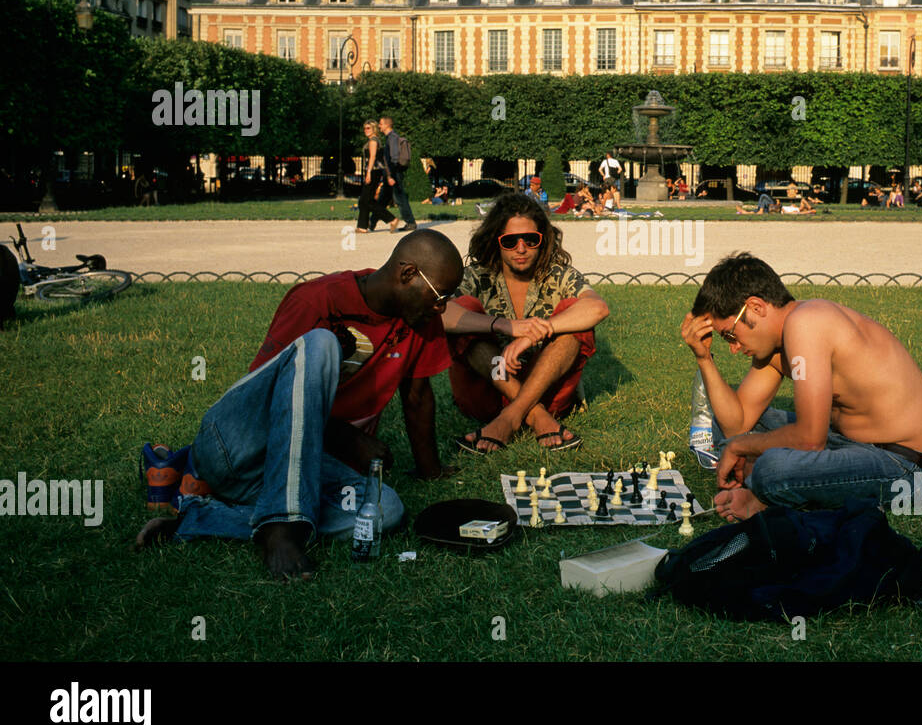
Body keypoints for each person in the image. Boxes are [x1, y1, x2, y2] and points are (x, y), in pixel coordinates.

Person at [136, 231, 512, 580]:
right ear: (408, 273)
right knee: (320, 345)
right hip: (238, 444)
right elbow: (267, 401)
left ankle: (200, 516)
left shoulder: (421, 316)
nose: (442, 307)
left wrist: (429, 470)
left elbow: (417, 397)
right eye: (438, 295)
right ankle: (278, 529)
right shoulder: (318, 299)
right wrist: (348, 440)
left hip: (296, 472)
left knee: (386, 510)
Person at [679, 253, 922, 522]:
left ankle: (763, 496)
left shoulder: (807, 322)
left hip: (902, 465)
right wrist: (703, 357)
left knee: (772, 469)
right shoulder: (776, 346)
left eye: (730, 335)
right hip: (844, 445)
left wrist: (739, 448)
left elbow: (809, 439)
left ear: (755, 307)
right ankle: (771, 486)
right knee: (725, 421)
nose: (734, 348)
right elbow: (736, 425)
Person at [449, 193, 609, 453]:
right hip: (487, 393)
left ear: (542, 241)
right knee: (464, 312)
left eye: (531, 240)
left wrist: (534, 334)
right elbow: (441, 314)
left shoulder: (557, 274)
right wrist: (504, 326)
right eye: (510, 241)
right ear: (496, 241)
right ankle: (534, 415)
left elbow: (597, 307)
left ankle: (509, 419)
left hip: (547, 389)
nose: (521, 248)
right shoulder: (477, 277)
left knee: (574, 316)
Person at [379, 115, 417, 232]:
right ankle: (370, 222)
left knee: (400, 198)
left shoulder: (392, 137)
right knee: (383, 198)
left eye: (381, 124)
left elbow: (393, 158)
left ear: (387, 125)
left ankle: (411, 223)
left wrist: (391, 175)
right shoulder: (390, 138)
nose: (379, 126)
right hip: (391, 173)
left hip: (394, 173)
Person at [356, 120, 395, 233]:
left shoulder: (373, 140)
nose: (366, 130)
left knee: (366, 200)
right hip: (373, 171)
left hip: (373, 172)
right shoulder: (373, 140)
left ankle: (391, 219)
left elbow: (372, 158)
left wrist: (368, 173)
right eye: (365, 128)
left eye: (368, 128)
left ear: (374, 129)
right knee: (365, 200)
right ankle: (362, 226)